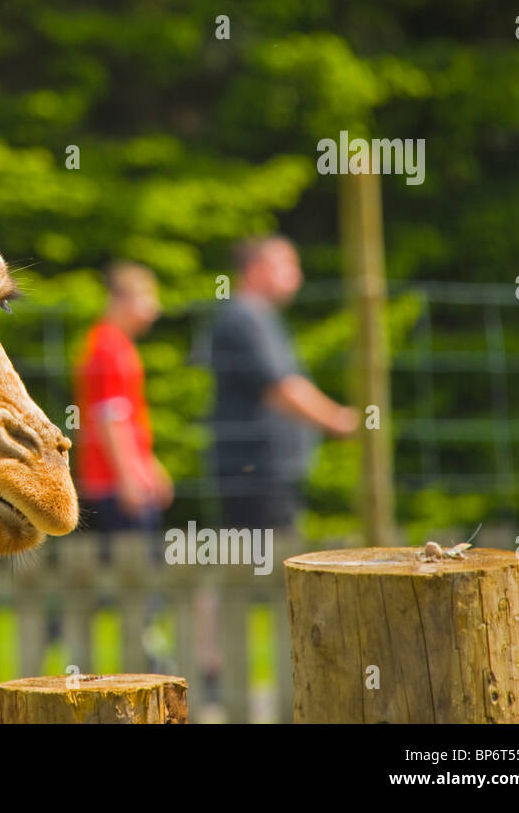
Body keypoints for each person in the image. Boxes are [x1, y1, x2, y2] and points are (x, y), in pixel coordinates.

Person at [196, 234, 357, 718]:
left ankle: (213, 661)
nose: (298, 276)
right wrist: (340, 420)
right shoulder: (245, 317)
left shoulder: (257, 317)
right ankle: (215, 663)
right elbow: (280, 387)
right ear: (257, 268)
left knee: (248, 558)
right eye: (288, 264)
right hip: (255, 468)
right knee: (265, 560)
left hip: (261, 468)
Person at [72, 262, 172, 533]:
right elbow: (109, 418)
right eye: (147, 298)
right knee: (135, 567)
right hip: (113, 483)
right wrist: (128, 478)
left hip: (114, 479)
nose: (155, 309)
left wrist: (151, 466)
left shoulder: (111, 343)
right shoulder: (110, 348)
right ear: (123, 299)